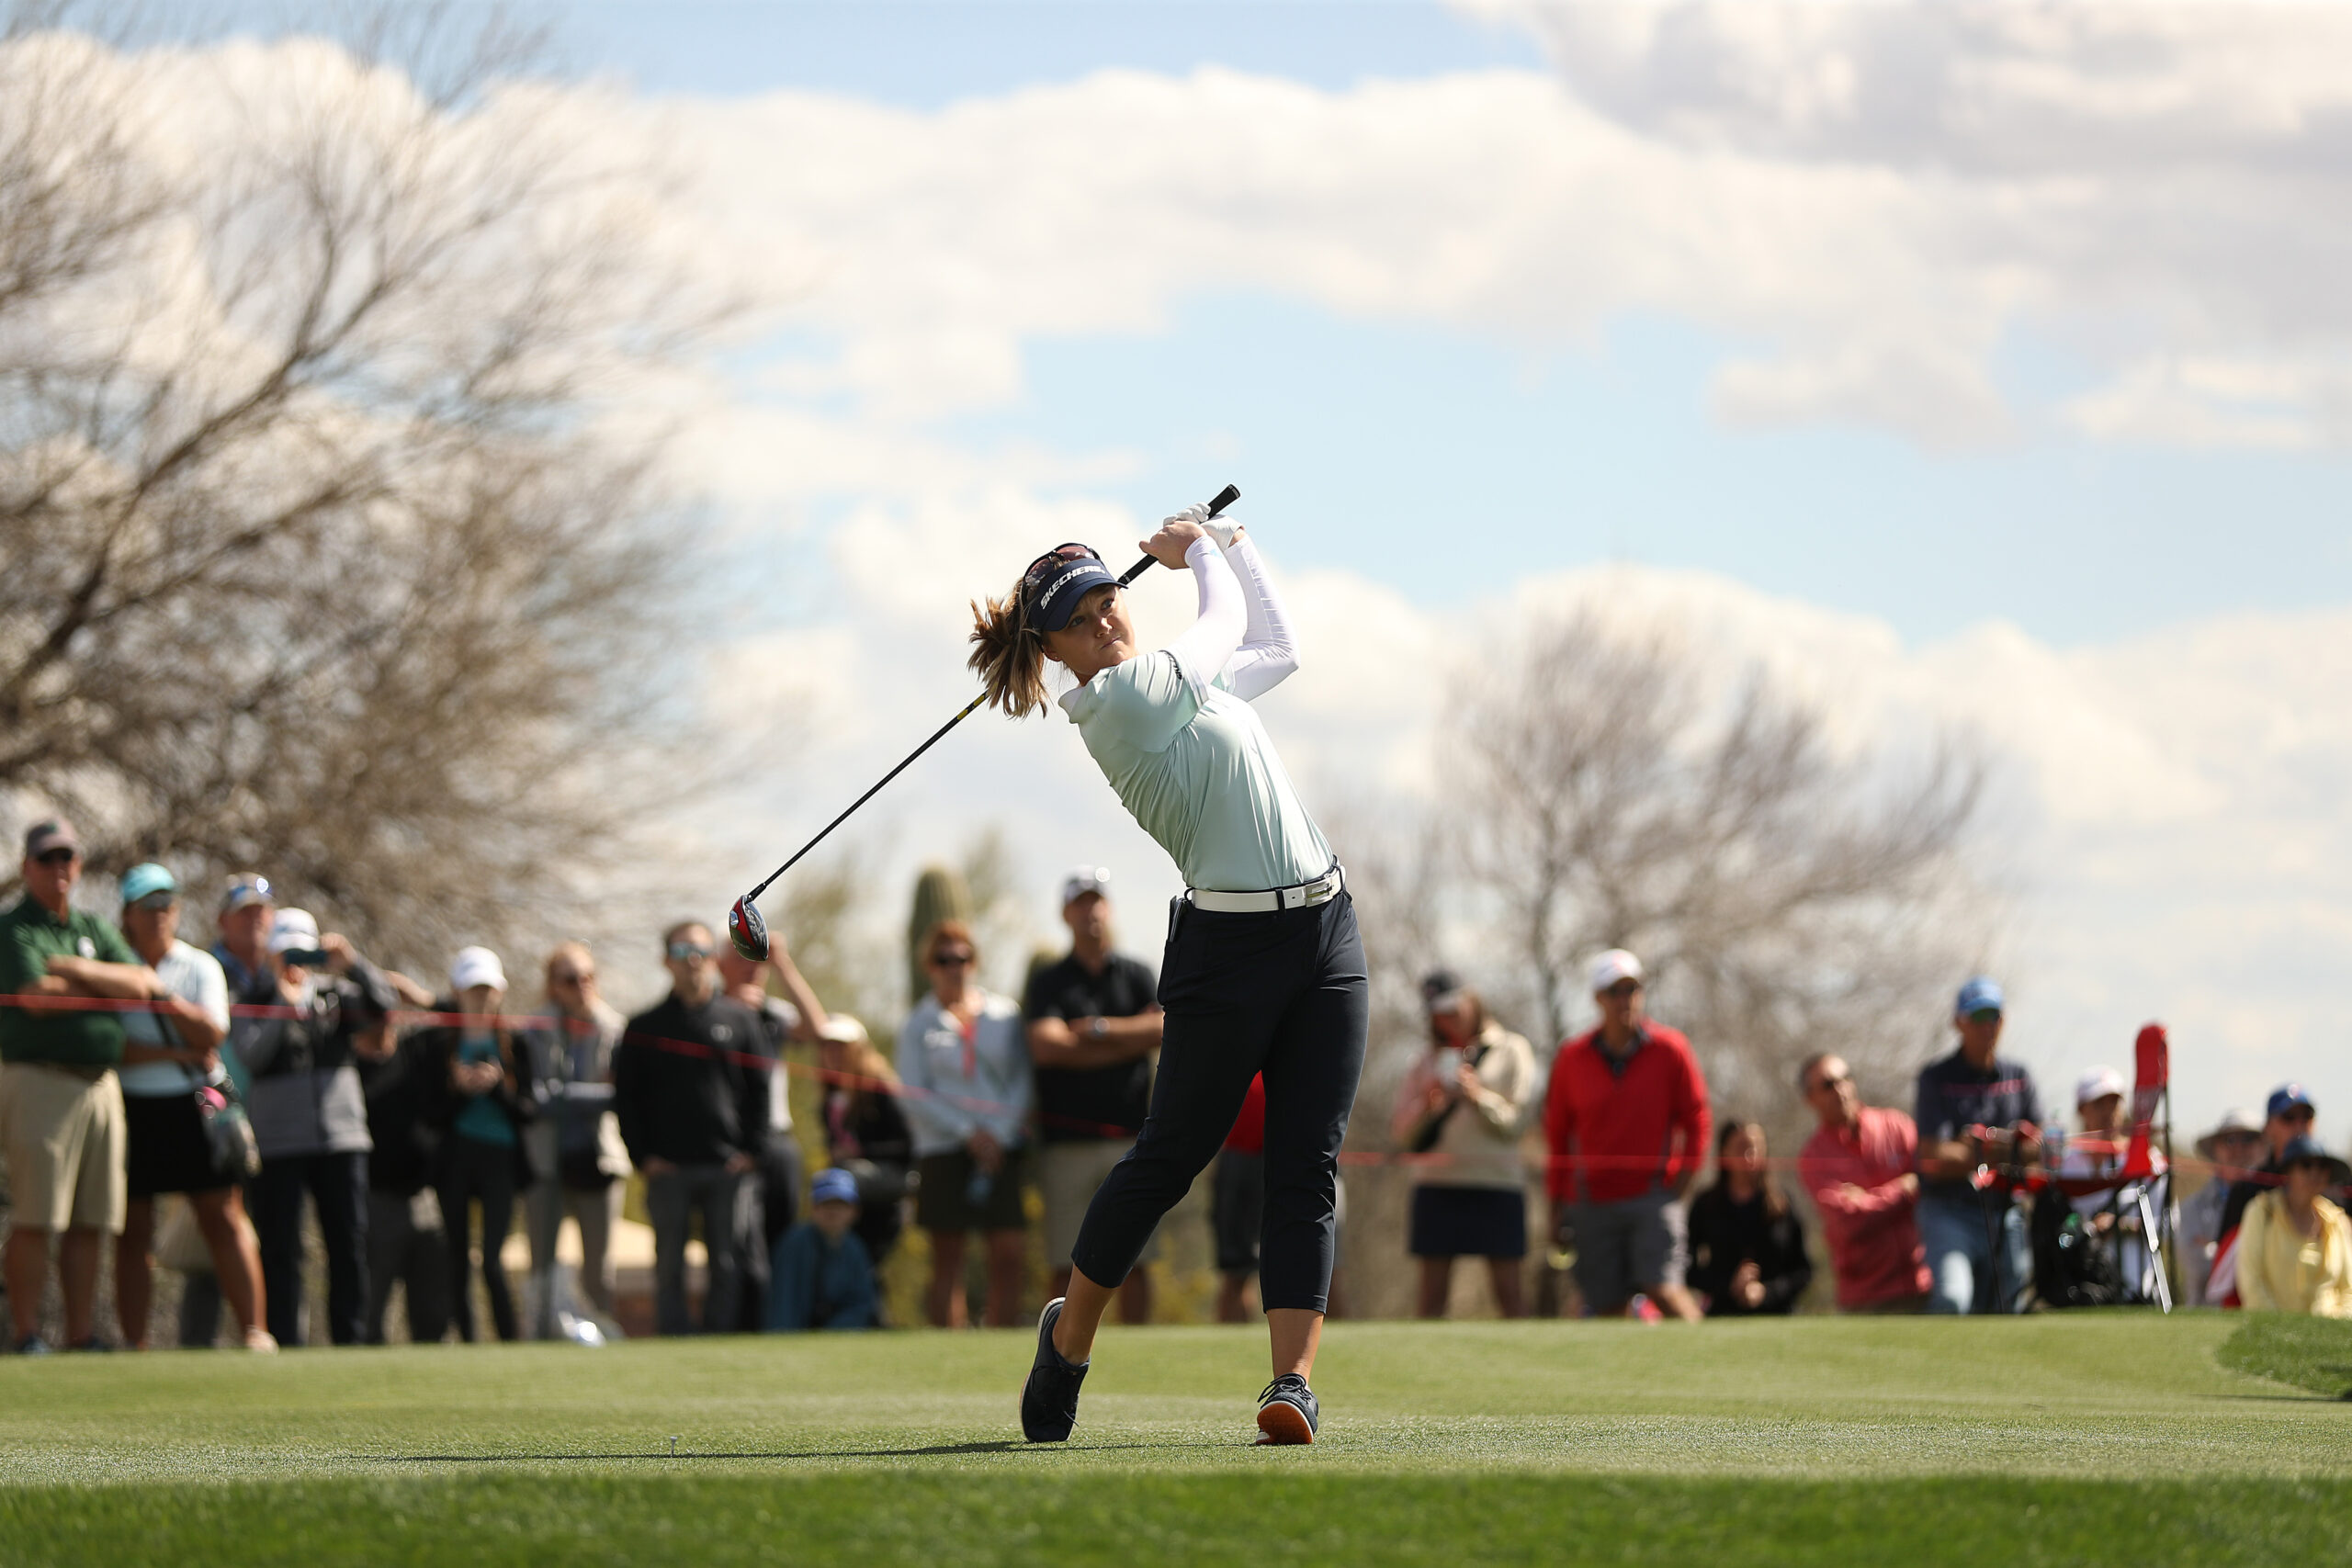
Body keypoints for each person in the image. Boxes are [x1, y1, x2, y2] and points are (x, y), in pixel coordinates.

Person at [973, 503, 1367, 1447]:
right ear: (1055, 649)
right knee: (1167, 1161)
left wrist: (1229, 544)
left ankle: (1291, 1384)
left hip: (1324, 935)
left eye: (1108, 598)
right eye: (1080, 616)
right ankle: (1066, 1344)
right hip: (1225, 955)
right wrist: (1196, 554)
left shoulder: (1188, 686)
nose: (1106, 617)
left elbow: (1275, 644)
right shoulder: (1117, 702)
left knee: (1307, 1163)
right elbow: (1221, 624)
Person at [0, 818, 164, 1354]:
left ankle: (80, 1334)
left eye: (66, 857)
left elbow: (142, 983)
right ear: (27, 867)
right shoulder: (16, 926)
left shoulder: (93, 926)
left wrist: (71, 967)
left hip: (101, 1086)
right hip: (40, 1080)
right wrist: (100, 982)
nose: (58, 868)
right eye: (46, 859)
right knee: (36, 1216)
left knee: (92, 1220)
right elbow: (36, 998)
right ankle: (26, 1333)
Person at [107, 863, 273, 1352]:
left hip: (195, 1106)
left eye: (166, 905)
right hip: (133, 1105)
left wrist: (160, 996)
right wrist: (179, 1050)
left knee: (222, 1216)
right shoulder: (114, 970)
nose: (159, 915)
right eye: (147, 907)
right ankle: (134, 1342)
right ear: (128, 915)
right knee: (133, 1227)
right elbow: (114, 1048)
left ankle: (254, 1332)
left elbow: (212, 1034)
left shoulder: (200, 965)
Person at [233, 908, 395, 1347]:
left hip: (340, 1137)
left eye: (305, 951)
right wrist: (283, 1006)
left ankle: (351, 1339)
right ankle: (285, 1339)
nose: (296, 963)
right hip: (279, 1140)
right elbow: (250, 1056)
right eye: (286, 952)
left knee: (347, 1242)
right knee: (282, 1247)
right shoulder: (253, 996)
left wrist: (354, 964)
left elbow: (386, 1008)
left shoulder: (338, 993)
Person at [614, 920, 770, 1336]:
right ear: (667, 962)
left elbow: (760, 1093)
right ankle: (673, 1341)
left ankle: (721, 1342)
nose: (693, 960)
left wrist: (752, 1152)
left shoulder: (740, 1020)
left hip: (727, 1166)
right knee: (669, 1264)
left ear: (714, 959)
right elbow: (626, 1099)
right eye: (683, 952)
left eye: (700, 950)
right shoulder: (643, 1026)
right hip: (668, 1168)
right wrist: (643, 1156)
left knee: (725, 1261)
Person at [1024, 867, 1163, 1322]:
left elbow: (1166, 1028)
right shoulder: (1049, 980)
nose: (1091, 912)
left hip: (1131, 1139)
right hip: (1066, 1142)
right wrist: (1126, 1045)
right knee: (1065, 1261)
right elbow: (1046, 1047)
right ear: (1066, 914)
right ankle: (1059, 1352)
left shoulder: (1138, 973)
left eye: (1096, 901)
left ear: (1109, 908)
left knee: (1136, 1261)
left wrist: (1097, 1031)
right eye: (1080, 903)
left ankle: (1141, 1355)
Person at [1542, 949, 1710, 1322]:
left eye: (1632, 989)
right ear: (1597, 999)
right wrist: (1556, 1205)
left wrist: (1682, 1181)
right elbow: (1557, 1135)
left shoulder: (1671, 1050)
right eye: (1614, 991)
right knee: (1606, 1307)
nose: (1625, 1000)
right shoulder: (1572, 1057)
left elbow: (1697, 1117)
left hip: (1653, 1196)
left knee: (1663, 1289)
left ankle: (1708, 1369)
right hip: (1592, 1201)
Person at [899, 919, 1032, 1329]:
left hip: (1002, 1145)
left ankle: (1001, 1345)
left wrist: (997, 1135)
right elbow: (915, 1092)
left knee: (1008, 1251)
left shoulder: (1004, 1014)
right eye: (944, 959)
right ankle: (948, 1351)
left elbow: (1021, 1081)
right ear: (929, 966)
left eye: (963, 957)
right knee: (948, 1256)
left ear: (975, 962)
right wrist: (967, 1133)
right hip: (943, 1149)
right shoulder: (918, 1024)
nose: (954, 966)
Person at [1390, 971, 1536, 1319]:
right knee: (1431, 1302)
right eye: (1437, 1011)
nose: (1446, 1018)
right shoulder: (1424, 1060)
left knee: (1510, 1297)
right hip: (1437, 1186)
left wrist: (1477, 1097)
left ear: (1471, 1002)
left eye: (1452, 1007)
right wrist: (1428, 1107)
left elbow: (1518, 1124)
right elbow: (1401, 1133)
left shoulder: (1512, 1050)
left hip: (1496, 1184)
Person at [415, 948, 535, 1343]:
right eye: (472, 990)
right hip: (454, 1161)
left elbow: (529, 1110)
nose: (480, 999)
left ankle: (509, 1340)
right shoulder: (436, 1045)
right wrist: (461, 1090)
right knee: (457, 1257)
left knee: (494, 1259)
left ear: (499, 993)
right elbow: (429, 1113)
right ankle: (467, 1338)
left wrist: (497, 1087)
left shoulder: (516, 1043)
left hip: (500, 1160)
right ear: (456, 992)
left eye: (487, 990)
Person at [1914, 976, 2041, 1316]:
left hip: (2005, 1210)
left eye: (1994, 1017)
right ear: (1959, 1022)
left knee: (2009, 1306)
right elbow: (1935, 1155)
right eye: (1978, 1017)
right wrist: (2007, 1146)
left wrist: (1976, 1146)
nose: (1988, 1027)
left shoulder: (2019, 1076)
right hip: (1949, 1209)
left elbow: (2038, 1150)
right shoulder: (1936, 1077)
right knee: (1953, 1300)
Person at [717, 942, 826, 1332]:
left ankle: (782, 1324)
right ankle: (742, 1327)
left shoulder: (771, 1013)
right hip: (730, 1146)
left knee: (782, 1242)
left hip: (777, 1141)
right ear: (720, 965)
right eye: (740, 960)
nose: (752, 970)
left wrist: (785, 965)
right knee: (740, 1247)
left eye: (757, 962)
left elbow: (817, 1029)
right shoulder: (712, 1012)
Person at [521, 942, 628, 1336]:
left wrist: (567, 1095)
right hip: (547, 1161)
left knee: (599, 1268)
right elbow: (534, 1098)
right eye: (570, 978)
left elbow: (619, 1097)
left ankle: (601, 1334)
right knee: (542, 1263)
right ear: (553, 985)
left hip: (599, 1160)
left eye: (588, 977)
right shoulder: (535, 1029)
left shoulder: (614, 1027)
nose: (581, 985)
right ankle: (541, 1334)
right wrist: (583, 1096)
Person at [1796, 1052, 1929, 1313]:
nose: (1840, 1089)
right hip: (1866, 1297)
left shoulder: (1896, 1125)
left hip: (1922, 1282)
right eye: (1828, 1085)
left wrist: (1866, 1199)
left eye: (1845, 1079)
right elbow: (1850, 1222)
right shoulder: (1813, 1156)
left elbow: (1929, 1184)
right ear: (1810, 1098)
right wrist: (1903, 1187)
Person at [356, 1000, 452, 1345]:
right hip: (376, 1200)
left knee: (432, 1314)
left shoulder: (417, 1052)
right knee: (371, 1311)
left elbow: (455, 1012)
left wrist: (419, 997)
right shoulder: (348, 1066)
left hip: (424, 1198)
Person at [2052, 1065, 2168, 1303]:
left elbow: (2168, 1224)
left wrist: (2121, 1226)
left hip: (2137, 1292)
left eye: (2114, 1103)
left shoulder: (2149, 1160)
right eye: (2099, 1104)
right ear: (2081, 1109)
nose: (2108, 1112)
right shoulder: (2064, 1164)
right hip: (2079, 1292)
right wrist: (2087, 1228)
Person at [813, 1014, 913, 1272]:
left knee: (841, 1179)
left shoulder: (880, 1091)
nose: (833, 1053)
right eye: (827, 1046)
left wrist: (861, 1152)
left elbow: (908, 1147)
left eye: (841, 1046)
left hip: (889, 1180)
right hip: (853, 1189)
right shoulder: (830, 1100)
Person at [2210, 1084, 2321, 1306]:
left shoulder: (2335, 1185)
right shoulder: (2247, 1191)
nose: (2299, 1125)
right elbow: (2228, 1266)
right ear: (2269, 1127)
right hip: (2262, 1317)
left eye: (2306, 1117)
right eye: (2289, 1118)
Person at [1688, 1121, 1813, 1316]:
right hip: (1723, 1315)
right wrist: (1727, 1285)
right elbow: (1688, 1267)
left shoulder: (1782, 1204)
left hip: (1778, 1316)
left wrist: (1767, 1292)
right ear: (1724, 1153)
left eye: (1755, 1148)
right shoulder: (1707, 1205)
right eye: (1740, 1148)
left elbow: (1803, 1271)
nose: (1749, 1156)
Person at [2234, 1136, 2352, 1317]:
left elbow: (2348, 1291)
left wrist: (2335, 1331)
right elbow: (2251, 1282)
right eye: (2306, 1165)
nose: (2315, 1173)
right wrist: (2277, 1329)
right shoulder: (2261, 1211)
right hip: (2271, 1336)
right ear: (2288, 1171)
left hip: (2329, 1338)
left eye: (2322, 1166)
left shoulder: (2336, 1219)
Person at [766, 1167, 878, 1331]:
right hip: (797, 1337)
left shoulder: (855, 1247)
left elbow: (861, 1303)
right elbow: (783, 1303)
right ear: (814, 1208)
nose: (832, 1211)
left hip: (839, 1338)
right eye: (826, 1203)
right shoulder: (794, 1243)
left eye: (840, 1204)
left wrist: (834, 1332)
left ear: (854, 1211)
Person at [2180, 1108, 2262, 1308]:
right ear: (2216, 1148)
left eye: (2248, 1139)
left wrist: (2216, 1248)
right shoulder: (2192, 1208)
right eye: (2230, 1140)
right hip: (2207, 1318)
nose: (2239, 1148)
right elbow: (2199, 1268)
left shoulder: (2273, 1204)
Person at [1211, 1074, 1267, 1324]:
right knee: (1235, 1268)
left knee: (1257, 1266)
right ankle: (1232, 1336)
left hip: (1276, 1156)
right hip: (1237, 1156)